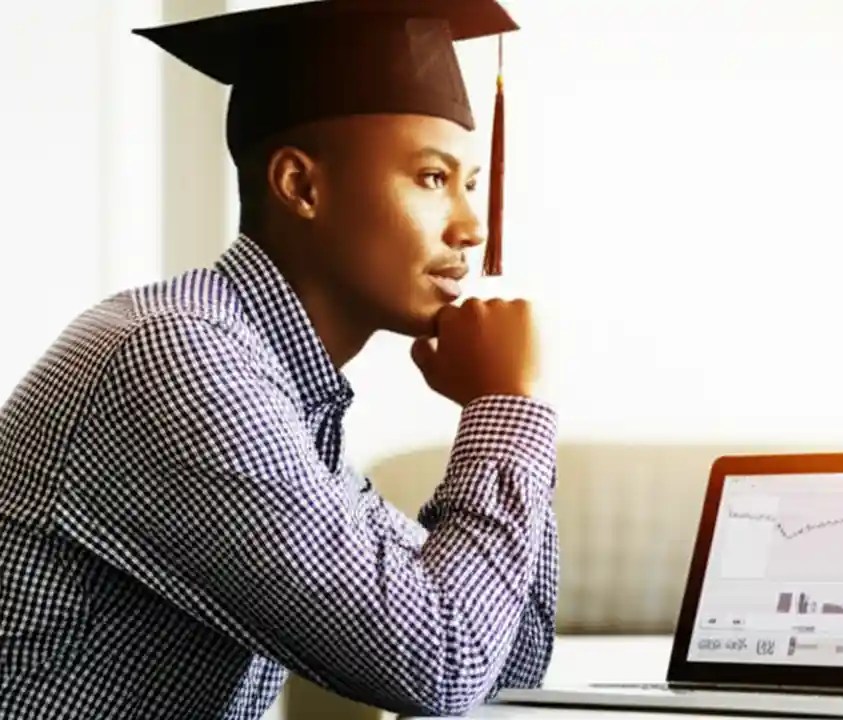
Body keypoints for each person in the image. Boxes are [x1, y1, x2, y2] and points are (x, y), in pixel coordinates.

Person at [0, 1, 558, 718]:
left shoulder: (281, 390)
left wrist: (514, 410)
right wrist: (508, 408)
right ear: (301, 186)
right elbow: (441, 665)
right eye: (430, 178)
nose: (471, 227)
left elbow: (506, 661)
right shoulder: (178, 361)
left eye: (471, 185)